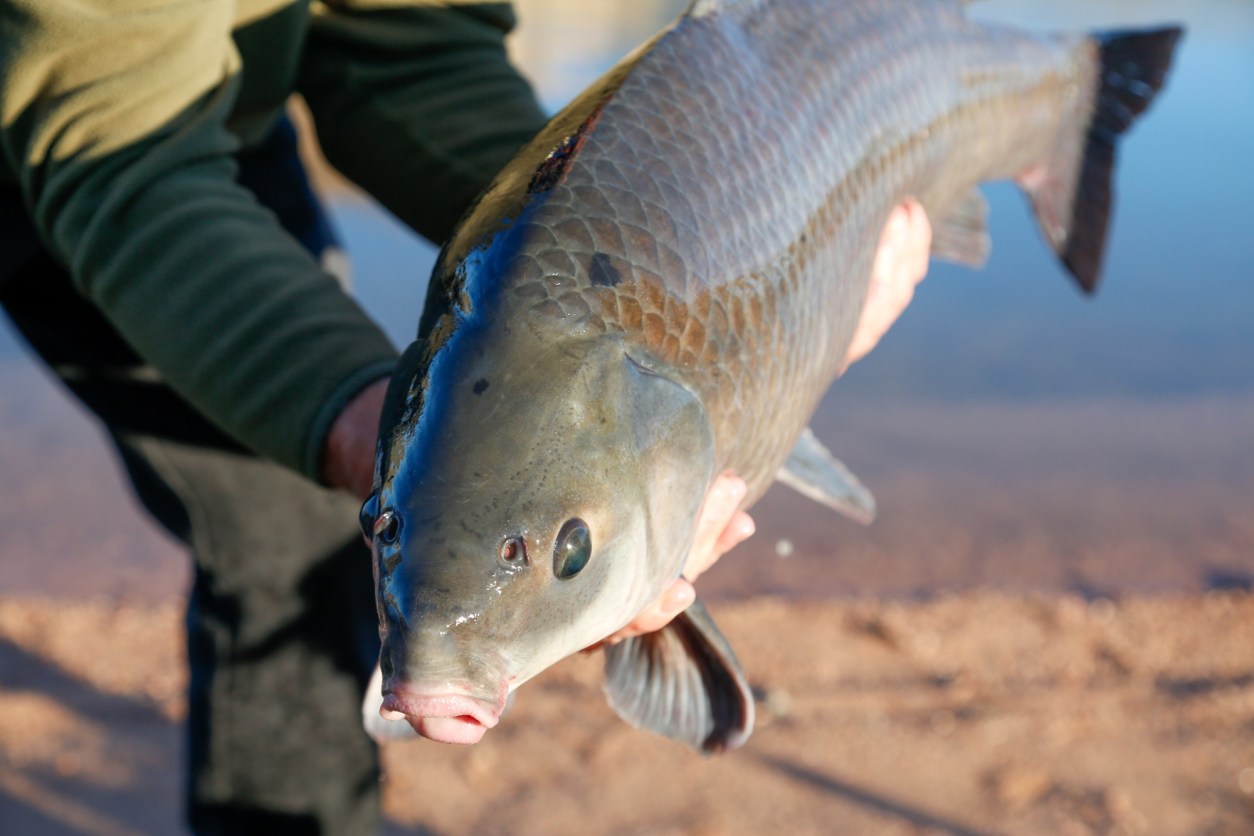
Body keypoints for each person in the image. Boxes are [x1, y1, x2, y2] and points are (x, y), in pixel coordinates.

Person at [0, 1, 931, 832]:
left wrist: (633, 253)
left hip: (218, 97)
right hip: (78, 132)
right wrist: (359, 429)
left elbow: (403, 53)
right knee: (280, 519)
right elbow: (119, 159)